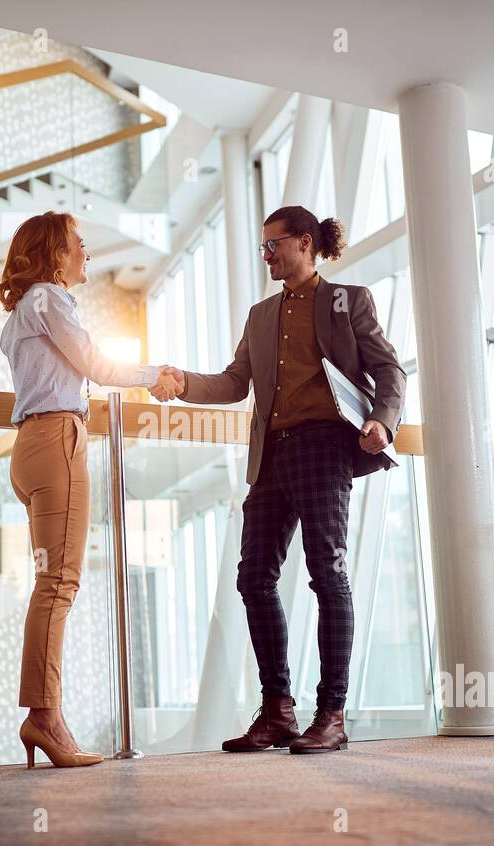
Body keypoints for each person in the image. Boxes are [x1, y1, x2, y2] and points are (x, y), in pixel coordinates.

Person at [152, 206, 406, 754]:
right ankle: (278, 711)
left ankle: (332, 714)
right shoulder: (260, 316)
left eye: (274, 245)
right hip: (270, 456)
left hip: (323, 448)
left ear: (305, 244)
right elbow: (234, 382)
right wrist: (181, 381)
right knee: (253, 578)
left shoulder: (347, 300)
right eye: (263, 246)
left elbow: (389, 369)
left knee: (326, 575)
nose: (266, 254)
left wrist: (383, 420)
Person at [0, 210, 181, 768]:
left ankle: (44, 715)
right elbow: (96, 365)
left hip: (32, 449)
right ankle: (44, 717)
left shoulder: (21, 314)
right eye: (78, 244)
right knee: (58, 584)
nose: (87, 254)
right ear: (54, 252)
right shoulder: (49, 301)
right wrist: (158, 374)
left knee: (50, 582)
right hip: (57, 442)